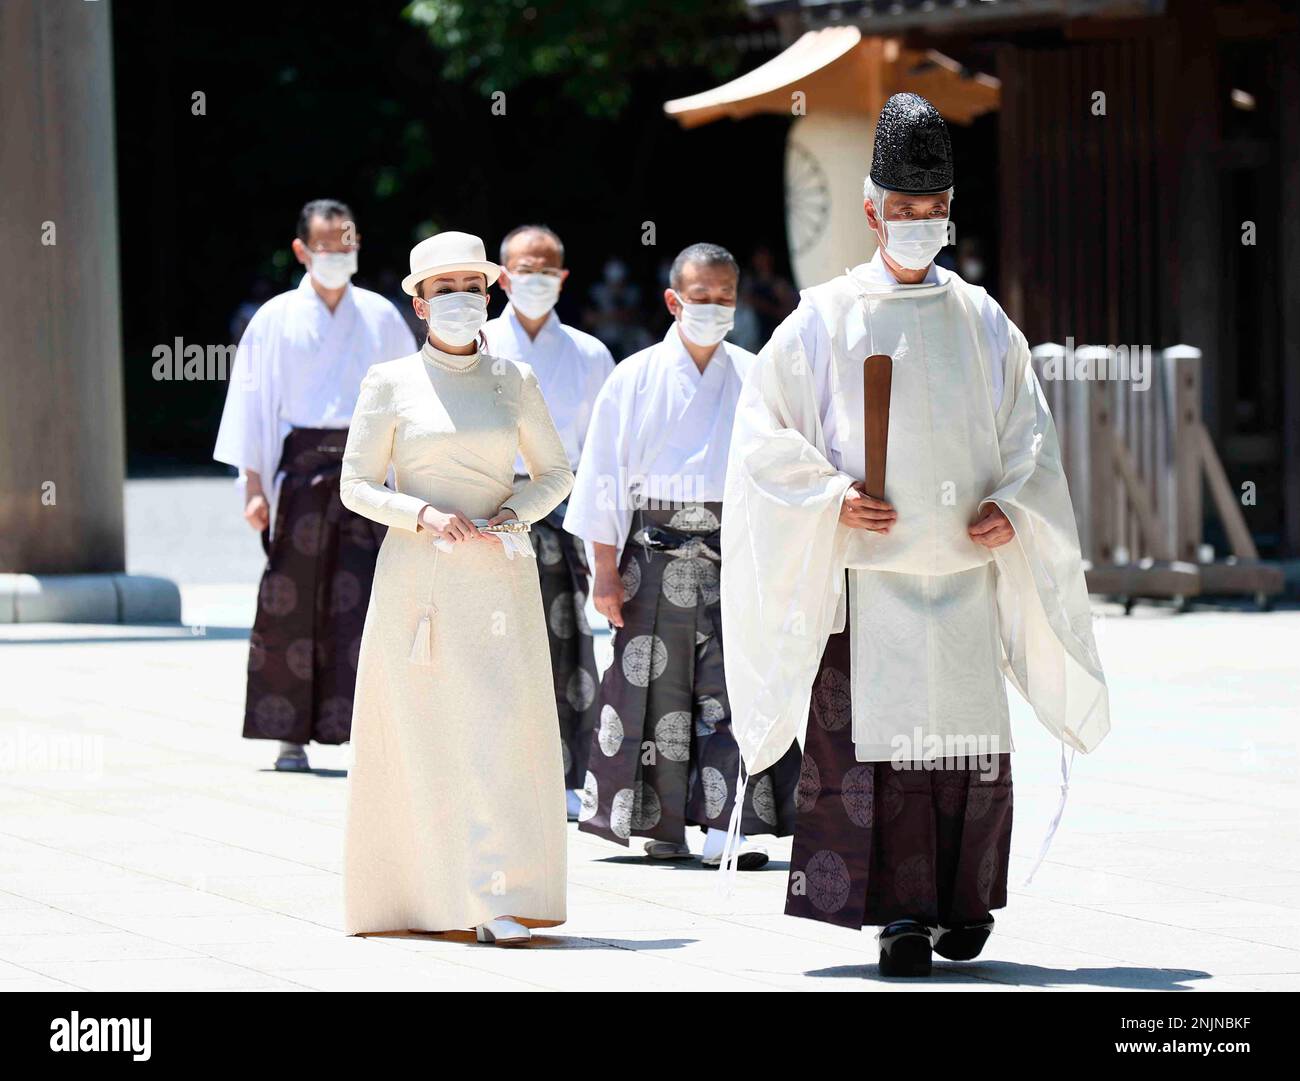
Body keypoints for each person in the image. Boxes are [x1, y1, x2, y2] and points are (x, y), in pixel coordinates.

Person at [721, 93, 1110, 975]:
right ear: (871, 211)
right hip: (871, 578)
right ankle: (898, 915)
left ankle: (964, 904)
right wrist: (828, 496)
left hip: (965, 569)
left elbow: (1030, 434)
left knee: (968, 742)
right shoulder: (822, 318)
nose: (918, 224)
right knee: (884, 756)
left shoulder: (981, 319)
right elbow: (761, 434)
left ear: (948, 212)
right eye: (903, 210)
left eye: (932, 211)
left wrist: (1015, 501)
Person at [340, 231, 573, 945]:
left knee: (499, 734)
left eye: (472, 287)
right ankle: (417, 893)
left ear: (489, 292)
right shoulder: (388, 381)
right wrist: (421, 514)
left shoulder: (514, 379)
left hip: (498, 574)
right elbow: (354, 484)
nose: (460, 301)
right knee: (424, 735)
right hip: (420, 578)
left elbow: (556, 473)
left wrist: (513, 515)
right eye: (444, 290)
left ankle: (496, 893)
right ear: (418, 303)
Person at [565, 242, 802, 870]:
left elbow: (781, 474)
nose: (715, 308)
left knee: (735, 688)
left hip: (736, 553)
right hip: (653, 551)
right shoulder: (634, 375)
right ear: (674, 300)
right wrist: (605, 570)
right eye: (702, 298)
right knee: (654, 692)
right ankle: (660, 823)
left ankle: (734, 827)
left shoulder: (756, 375)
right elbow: (603, 478)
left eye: (726, 297)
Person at [213, 199, 417, 772]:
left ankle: (369, 732)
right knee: (291, 602)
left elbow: (410, 401)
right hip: (300, 472)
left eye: (347, 244)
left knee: (369, 602)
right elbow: (249, 408)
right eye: (326, 246)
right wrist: (252, 485)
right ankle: (289, 735)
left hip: (367, 472)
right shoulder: (273, 318)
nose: (338, 255)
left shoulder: (380, 315)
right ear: (303, 250)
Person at [483, 225, 615, 820]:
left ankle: (569, 773)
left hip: (564, 509)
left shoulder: (589, 354)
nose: (533, 279)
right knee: (484, 641)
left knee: (565, 643)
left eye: (546, 269)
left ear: (561, 277)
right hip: (485, 503)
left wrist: (603, 533)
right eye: (522, 269)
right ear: (503, 276)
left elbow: (604, 453)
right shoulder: (476, 343)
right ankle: (486, 775)